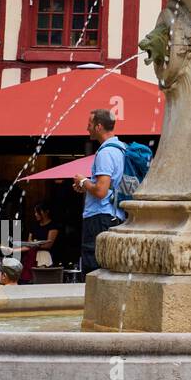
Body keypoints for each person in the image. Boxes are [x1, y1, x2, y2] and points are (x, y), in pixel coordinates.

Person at [74, 108, 124, 275]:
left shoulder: (105, 153)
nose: (86, 128)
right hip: (115, 215)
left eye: (89, 124)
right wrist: (87, 186)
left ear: (99, 126)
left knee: (94, 268)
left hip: (99, 217)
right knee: (110, 267)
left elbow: (101, 191)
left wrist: (82, 180)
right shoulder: (121, 149)